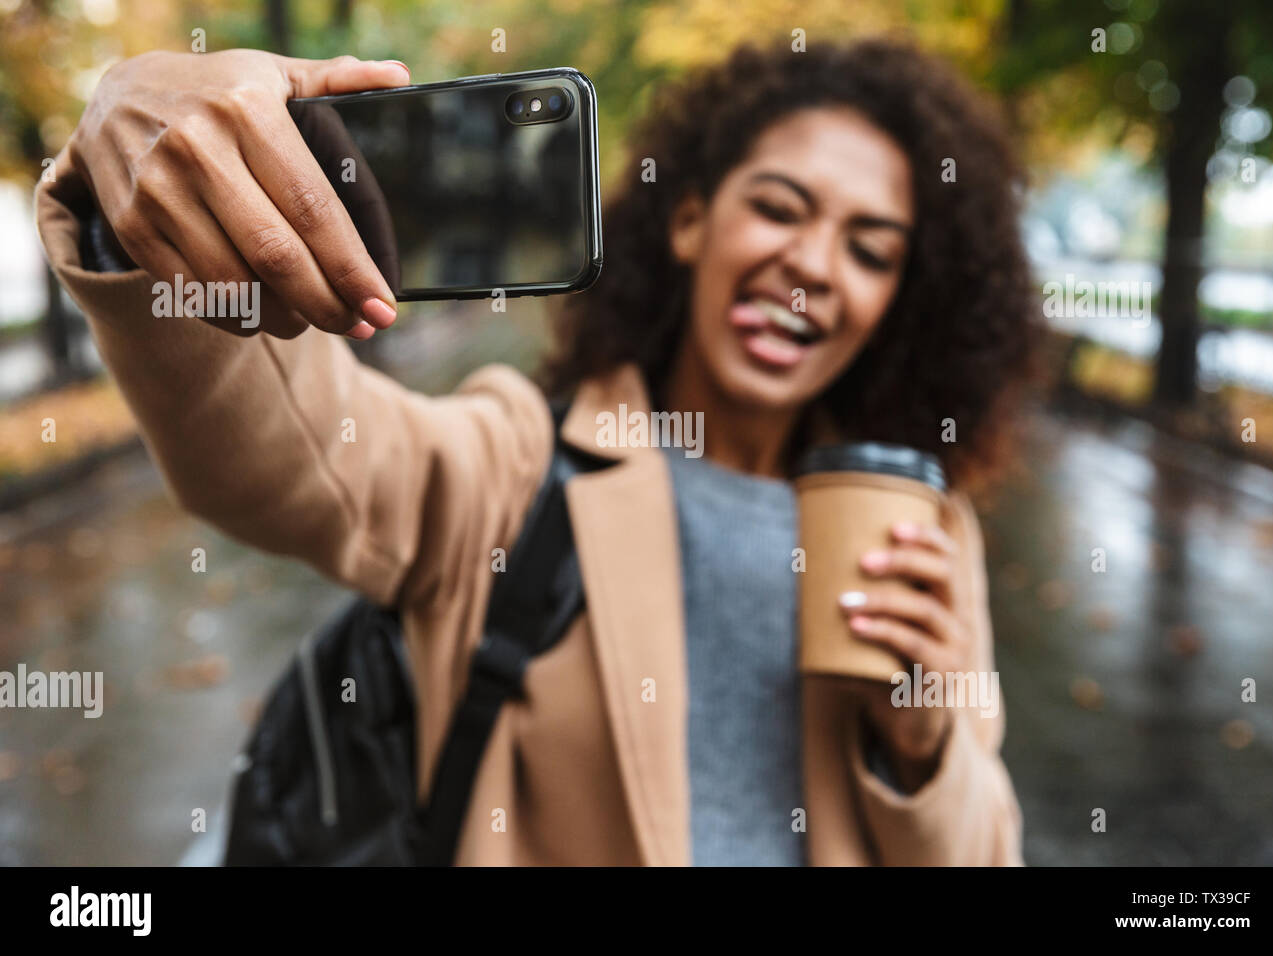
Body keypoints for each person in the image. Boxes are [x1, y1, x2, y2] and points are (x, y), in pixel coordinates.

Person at [36, 39, 1035, 865]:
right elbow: (276, 459)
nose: (813, 266)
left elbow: (985, 846)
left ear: (901, 296)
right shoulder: (518, 463)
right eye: (777, 207)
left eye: (871, 248)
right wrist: (130, 199)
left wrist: (922, 742)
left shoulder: (916, 527)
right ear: (689, 220)